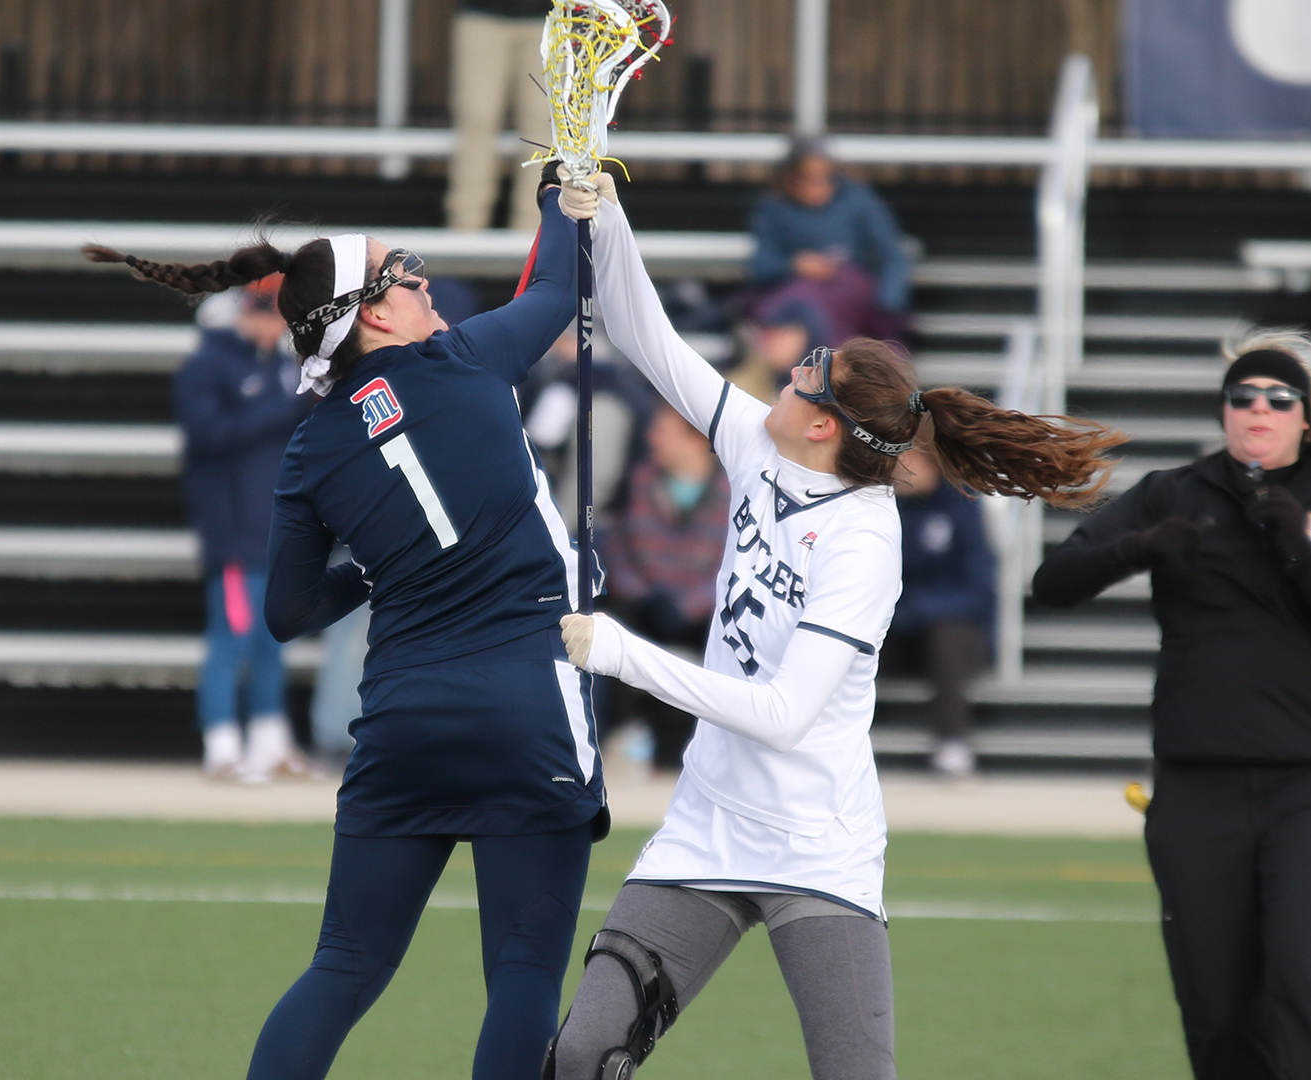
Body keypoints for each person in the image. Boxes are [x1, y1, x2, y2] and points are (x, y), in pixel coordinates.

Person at [549, 173, 1121, 1080]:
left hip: (816, 847)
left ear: (823, 426)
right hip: (706, 827)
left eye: (805, 374)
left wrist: (622, 654)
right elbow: (643, 333)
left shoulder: (864, 542)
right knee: (581, 1054)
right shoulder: (756, 440)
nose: (785, 371)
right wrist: (604, 213)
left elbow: (782, 713)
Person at [84, 170, 604, 1080]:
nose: (425, 281)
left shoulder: (311, 445)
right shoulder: (468, 357)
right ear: (376, 315)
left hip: (403, 720)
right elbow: (558, 289)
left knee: (345, 966)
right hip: (527, 704)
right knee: (523, 976)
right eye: (407, 273)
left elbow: (286, 614)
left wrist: (371, 569)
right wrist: (559, 195)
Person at [1031, 332, 1311, 1080]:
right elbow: (1053, 582)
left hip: (1308, 782)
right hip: (1196, 783)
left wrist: (1301, 554)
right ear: (1223, 413)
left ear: (1305, 419)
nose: (1257, 409)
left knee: (1299, 975)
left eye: (1277, 399)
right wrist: (1132, 550)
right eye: (1241, 398)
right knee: (1216, 1003)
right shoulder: (1173, 494)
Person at [175, 285, 312, 781]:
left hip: (274, 530)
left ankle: (270, 743)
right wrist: (285, 407)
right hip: (233, 532)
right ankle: (222, 746)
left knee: (270, 641)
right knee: (230, 638)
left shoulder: (280, 365)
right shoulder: (208, 366)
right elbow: (208, 433)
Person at [599, 401, 732, 772]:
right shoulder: (637, 481)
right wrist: (645, 596)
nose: (651, 438)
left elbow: (735, 561)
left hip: (705, 620)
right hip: (643, 613)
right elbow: (616, 551)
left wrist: (689, 606)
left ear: (695, 440)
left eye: (663, 431)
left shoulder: (735, 488)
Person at [886, 448, 995, 779]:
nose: (897, 470)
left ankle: (951, 741)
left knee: (945, 637)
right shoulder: (885, 508)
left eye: (907, 461)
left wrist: (921, 610)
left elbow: (978, 589)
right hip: (899, 630)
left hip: (955, 635)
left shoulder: (963, 506)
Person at [747, 137, 914, 347]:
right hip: (795, 299)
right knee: (799, 306)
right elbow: (761, 266)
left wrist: (886, 309)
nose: (815, 187)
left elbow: (892, 255)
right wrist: (795, 265)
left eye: (822, 178)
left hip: (852, 298)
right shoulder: (774, 208)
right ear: (790, 178)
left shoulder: (858, 201)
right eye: (805, 178)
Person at [444, 0, 550, 232]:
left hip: (547, 17)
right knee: (476, 119)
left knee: (542, 124)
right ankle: (465, 226)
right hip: (482, 13)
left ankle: (533, 233)